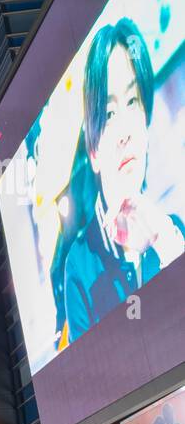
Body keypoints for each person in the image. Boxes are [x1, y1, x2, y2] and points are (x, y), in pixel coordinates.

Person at [59, 18, 185, 344]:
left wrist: (163, 238)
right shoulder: (79, 266)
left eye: (132, 102)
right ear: (94, 150)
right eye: (110, 113)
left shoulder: (172, 232)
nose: (125, 131)